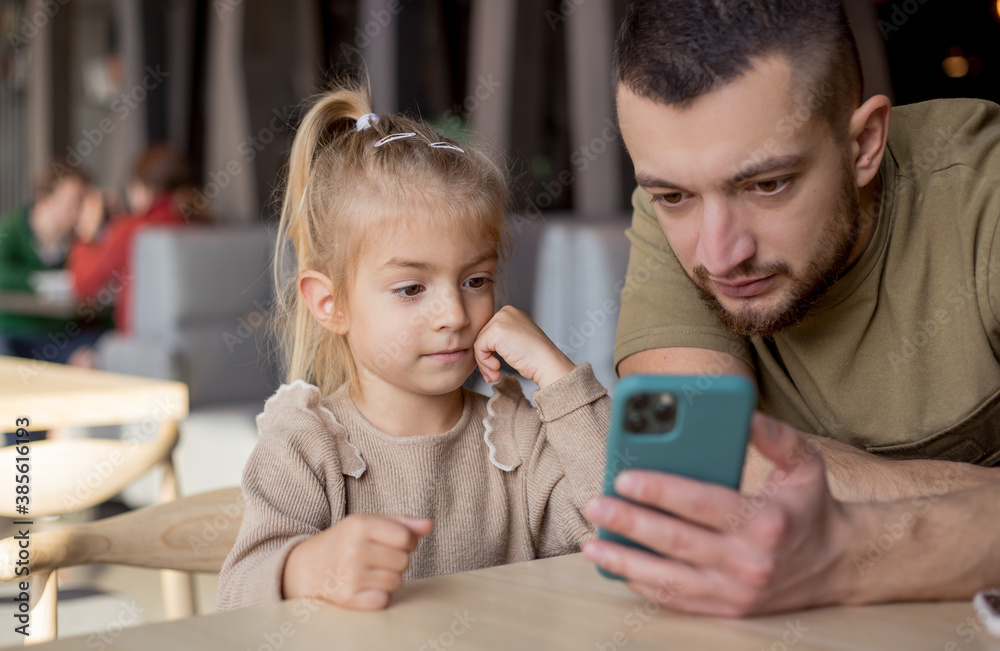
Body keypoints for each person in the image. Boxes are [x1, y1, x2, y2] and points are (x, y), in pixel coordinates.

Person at [585, 0, 1000, 613]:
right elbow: (699, 467)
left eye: (767, 184)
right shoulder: (681, 217)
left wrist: (852, 552)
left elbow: (742, 471)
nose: (720, 255)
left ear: (863, 144)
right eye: (673, 194)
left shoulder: (983, 196)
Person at [216, 85, 610, 611]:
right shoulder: (306, 446)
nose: (453, 316)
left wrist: (559, 379)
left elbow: (624, 528)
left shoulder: (517, 435)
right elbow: (237, 600)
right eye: (411, 288)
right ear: (330, 303)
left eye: (475, 280)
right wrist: (309, 567)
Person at [67, 144, 206, 336]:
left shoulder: (130, 230)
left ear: (141, 188)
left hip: (140, 346)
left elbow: (84, 287)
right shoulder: (203, 223)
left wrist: (86, 235)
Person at [0, 164, 106, 365]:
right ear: (44, 200)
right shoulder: (9, 230)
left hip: (61, 337)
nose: (78, 210)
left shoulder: (82, 241)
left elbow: (98, 284)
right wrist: (44, 281)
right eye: (72, 201)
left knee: (97, 353)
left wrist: (90, 235)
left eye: (83, 202)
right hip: (14, 332)